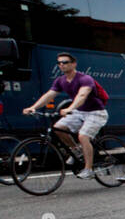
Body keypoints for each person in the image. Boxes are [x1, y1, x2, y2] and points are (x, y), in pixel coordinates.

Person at [23, 52, 109, 180]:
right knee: (59, 127)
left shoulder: (85, 79)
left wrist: (70, 108)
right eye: (59, 63)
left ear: (74, 64)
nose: (61, 65)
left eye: (65, 62)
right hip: (79, 112)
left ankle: (88, 169)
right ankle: (76, 150)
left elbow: (82, 96)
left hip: (96, 112)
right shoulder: (60, 81)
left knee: (83, 136)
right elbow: (49, 95)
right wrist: (33, 107)